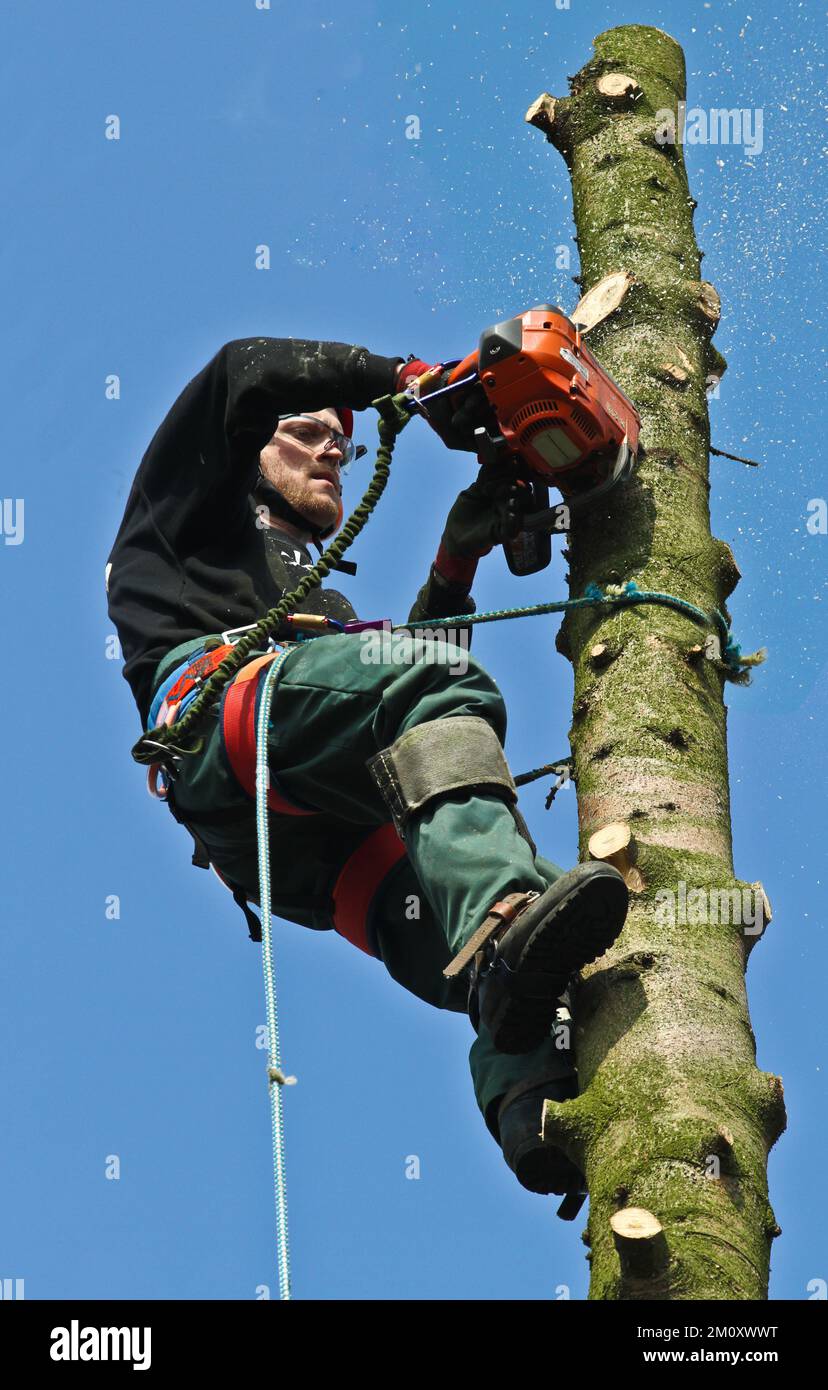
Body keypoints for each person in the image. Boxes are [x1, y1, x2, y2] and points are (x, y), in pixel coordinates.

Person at [106, 336, 628, 1201]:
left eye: (342, 441)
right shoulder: (185, 509)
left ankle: (536, 1105)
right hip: (226, 732)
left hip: (314, 844)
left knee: (544, 931)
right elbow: (244, 366)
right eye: (308, 432)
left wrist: (455, 564)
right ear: (249, 445)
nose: (334, 448)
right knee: (499, 885)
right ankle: (498, 920)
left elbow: (402, 695)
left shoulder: (320, 600)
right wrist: (412, 382)